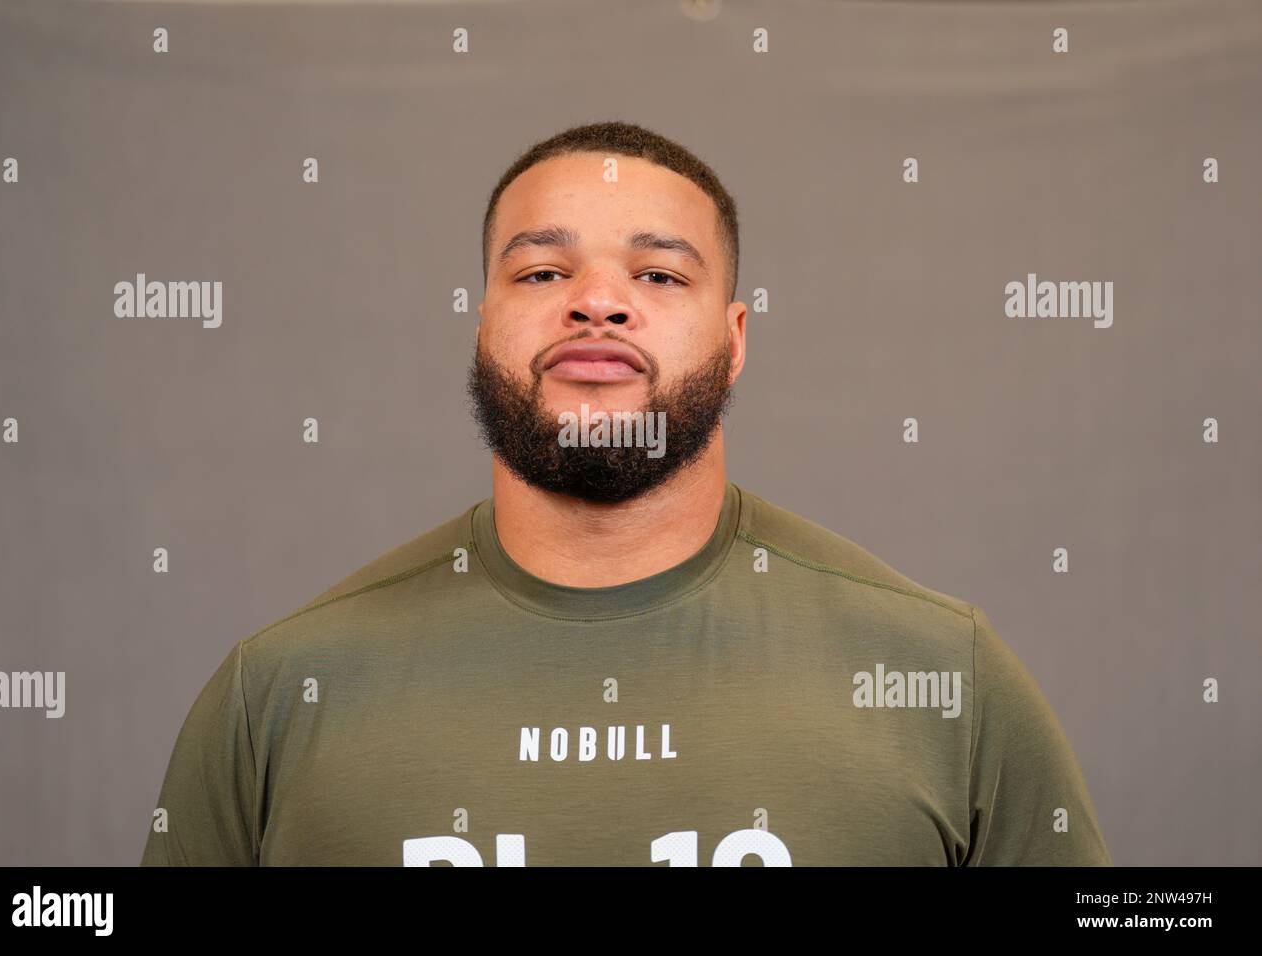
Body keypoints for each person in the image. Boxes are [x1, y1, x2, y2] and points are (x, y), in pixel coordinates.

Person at [140, 120, 1112, 866]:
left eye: (655, 271)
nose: (596, 300)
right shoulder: (277, 693)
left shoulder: (945, 676)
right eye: (542, 269)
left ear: (734, 338)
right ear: (482, 326)